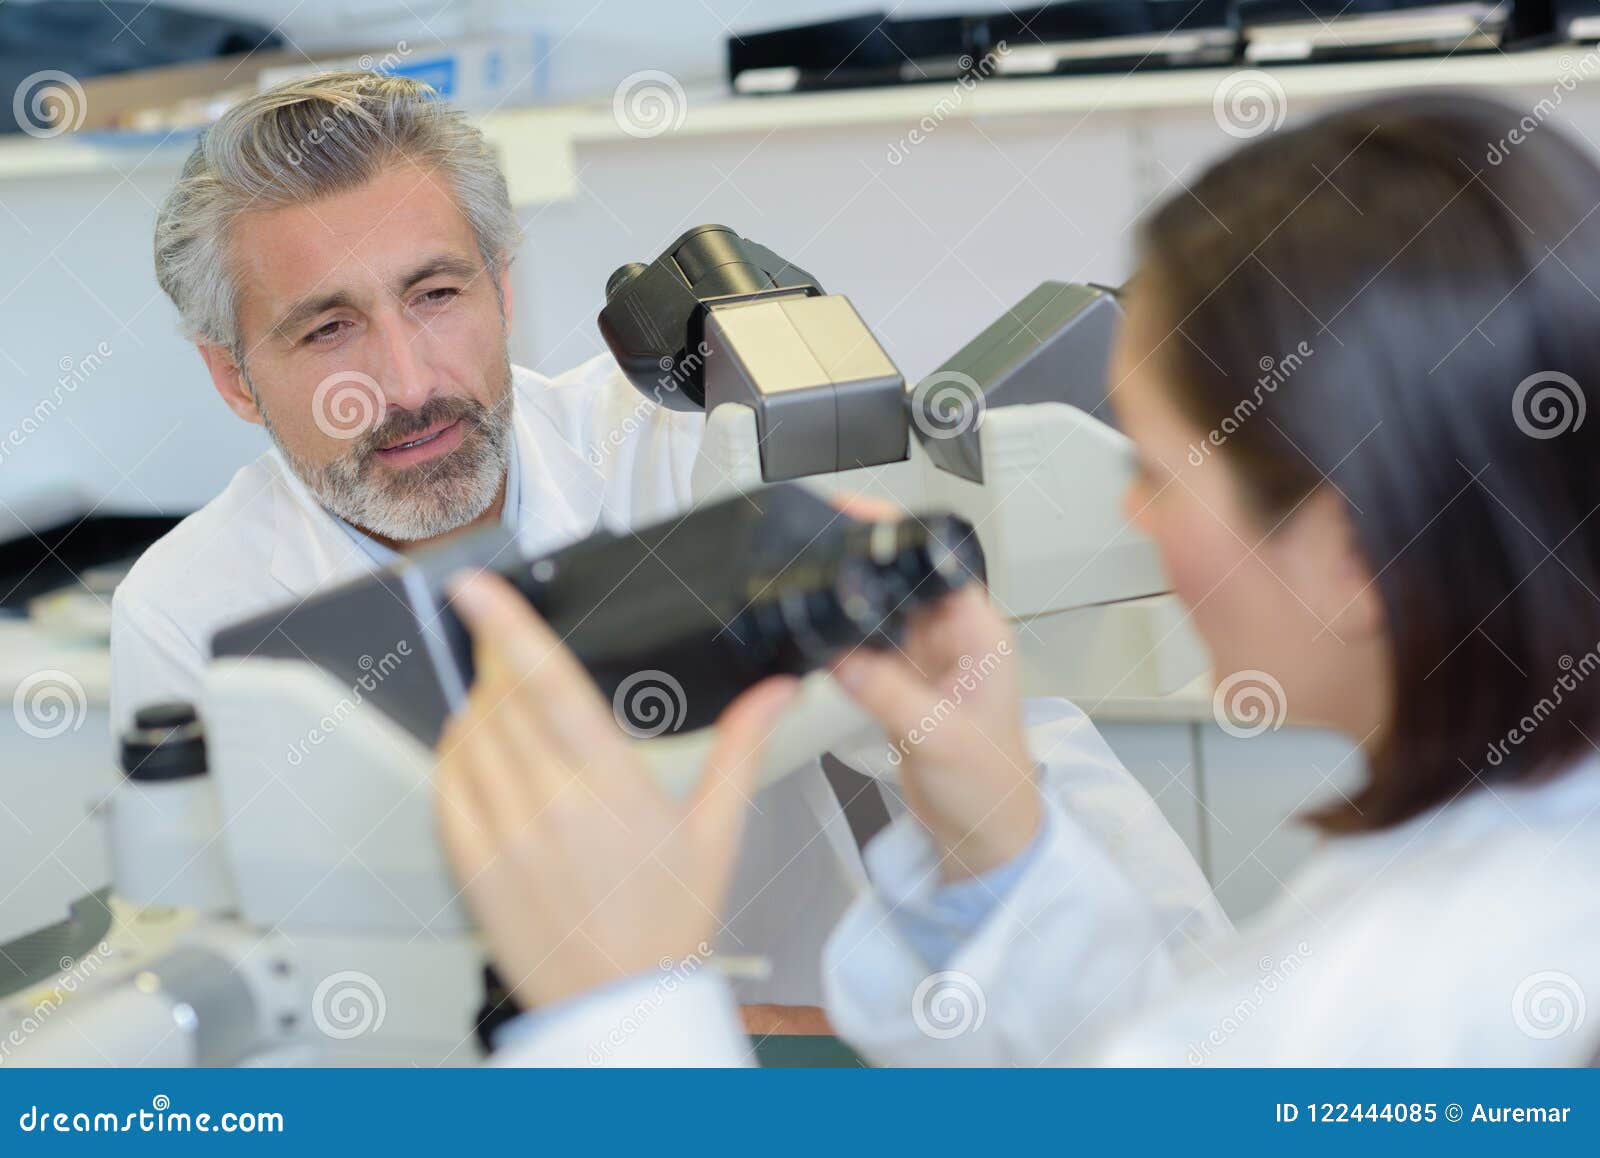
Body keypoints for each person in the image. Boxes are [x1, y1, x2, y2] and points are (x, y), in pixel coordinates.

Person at [433, 91, 1600, 1065]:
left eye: (1148, 468)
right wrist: (1002, 847)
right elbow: (1160, 1074)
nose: (1127, 514)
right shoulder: (1506, 862)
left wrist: (620, 1011)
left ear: (1341, 554)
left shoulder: (1414, 1006)